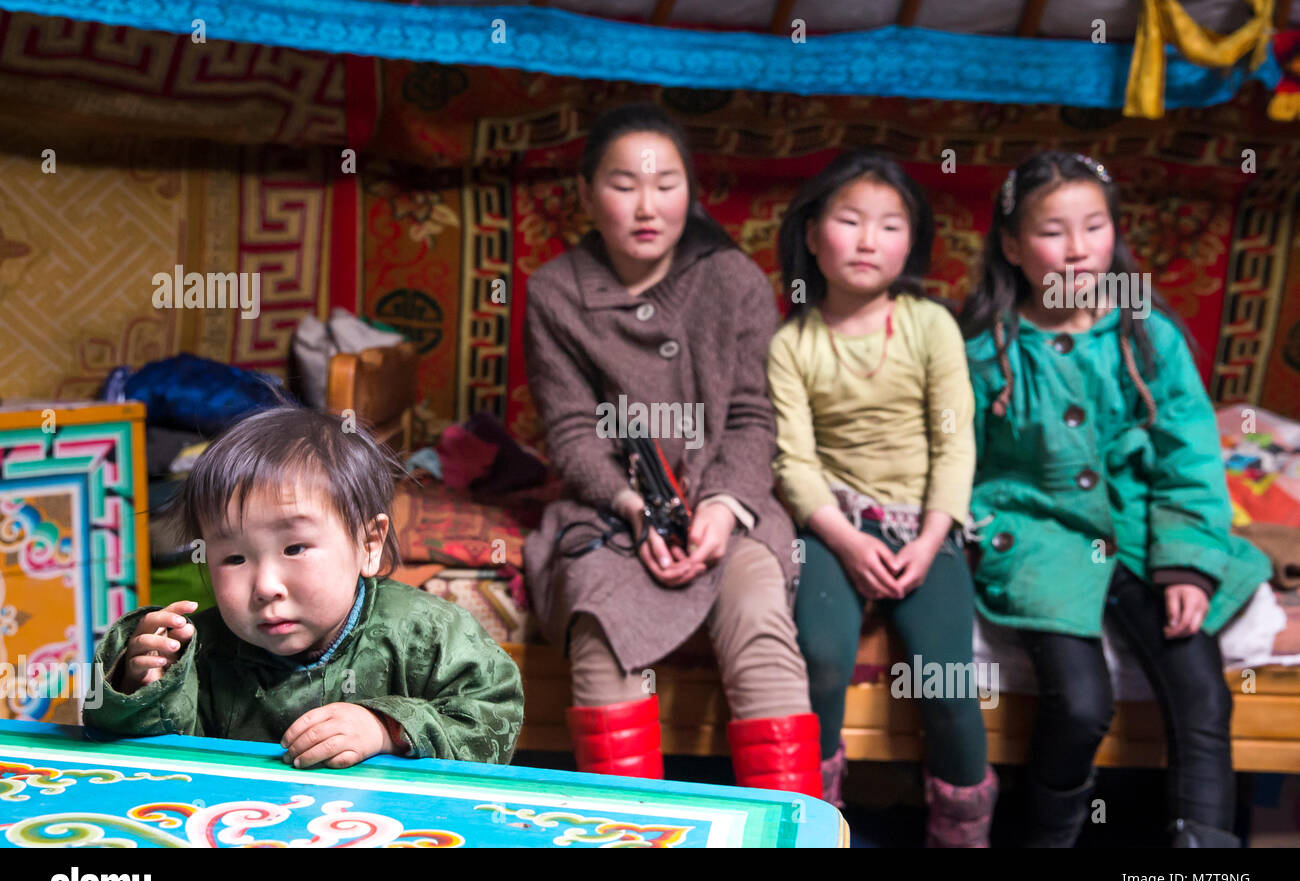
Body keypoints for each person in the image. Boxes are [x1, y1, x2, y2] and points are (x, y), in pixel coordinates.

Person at [961, 150, 1270, 847]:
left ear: (1114, 233)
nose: (1077, 249)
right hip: (1036, 534)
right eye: (1052, 232)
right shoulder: (987, 350)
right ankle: (1044, 837)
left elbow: (1187, 454)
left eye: (1093, 227)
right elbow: (956, 463)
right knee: (1079, 702)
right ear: (1011, 245)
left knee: (1201, 690)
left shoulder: (1146, 333)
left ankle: (1202, 863)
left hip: (1136, 526)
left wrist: (1187, 564)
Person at [522, 103, 821, 795]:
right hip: (614, 509)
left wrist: (721, 505)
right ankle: (625, 833)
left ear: (692, 190)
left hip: (725, 503)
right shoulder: (556, 292)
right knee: (597, 620)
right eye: (624, 184)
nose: (647, 205)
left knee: (758, 613)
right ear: (587, 193)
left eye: (668, 183)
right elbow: (570, 430)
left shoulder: (733, 281)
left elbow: (751, 417)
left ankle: (786, 833)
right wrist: (633, 506)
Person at [768, 150, 997, 845]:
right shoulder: (791, 341)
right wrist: (844, 538)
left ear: (913, 241)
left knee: (947, 677)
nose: (868, 240)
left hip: (924, 526)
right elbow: (793, 460)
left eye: (890, 225)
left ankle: (962, 834)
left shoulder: (931, 325)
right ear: (812, 234)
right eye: (849, 220)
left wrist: (930, 541)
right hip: (833, 526)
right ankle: (816, 824)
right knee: (823, 654)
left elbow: (956, 442)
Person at [84, 406, 524, 767]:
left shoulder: (429, 634)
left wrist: (386, 729)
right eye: (234, 558)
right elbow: (146, 762)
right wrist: (139, 683)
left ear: (369, 544)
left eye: (294, 548)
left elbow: (493, 717)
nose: (266, 586)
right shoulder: (200, 651)